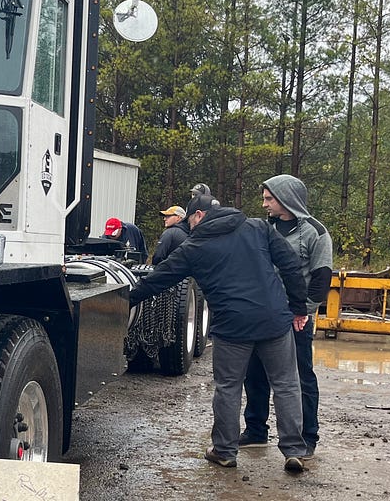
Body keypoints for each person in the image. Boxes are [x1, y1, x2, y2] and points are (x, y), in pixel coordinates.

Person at [129, 194, 310, 472]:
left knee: (228, 387)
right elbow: (290, 264)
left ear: (199, 215)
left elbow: (158, 279)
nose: (189, 227)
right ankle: (294, 451)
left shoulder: (194, 246)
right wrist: (298, 307)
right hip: (273, 320)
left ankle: (225, 451)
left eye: (190, 221)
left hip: (232, 327)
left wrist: (124, 300)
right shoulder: (258, 228)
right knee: (286, 384)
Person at [240, 175, 333, 459]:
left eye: (269, 198)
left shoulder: (315, 232)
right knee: (254, 374)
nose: (264, 203)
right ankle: (256, 429)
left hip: (295, 318)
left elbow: (321, 277)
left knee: (299, 378)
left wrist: (303, 311)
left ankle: (306, 437)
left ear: (286, 198)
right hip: (261, 315)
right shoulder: (261, 229)